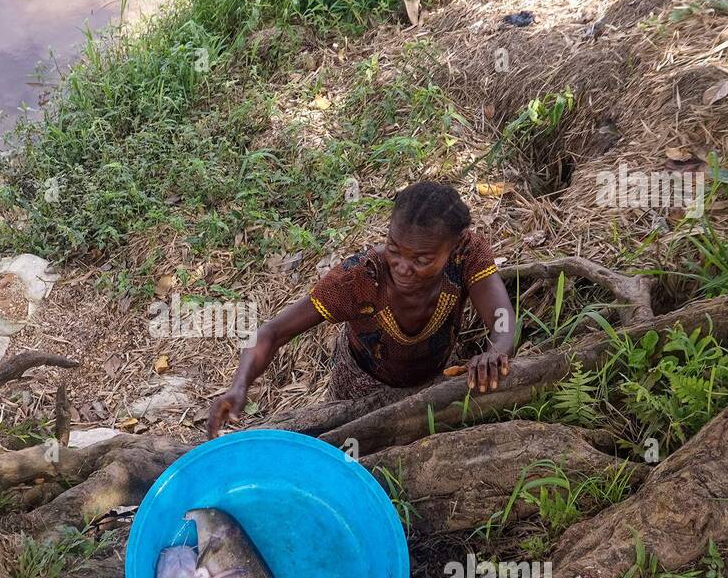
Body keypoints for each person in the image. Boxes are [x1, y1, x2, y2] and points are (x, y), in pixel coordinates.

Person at [208, 181, 516, 438]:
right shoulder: (358, 280)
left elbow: (500, 315)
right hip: (360, 386)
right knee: (354, 445)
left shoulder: (467, 254)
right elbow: (272, 333)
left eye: (422, 259)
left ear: (455, 245)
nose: (403, 267)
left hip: (434, 374)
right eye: (394, 249)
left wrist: (497, 349)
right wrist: (239, 385)